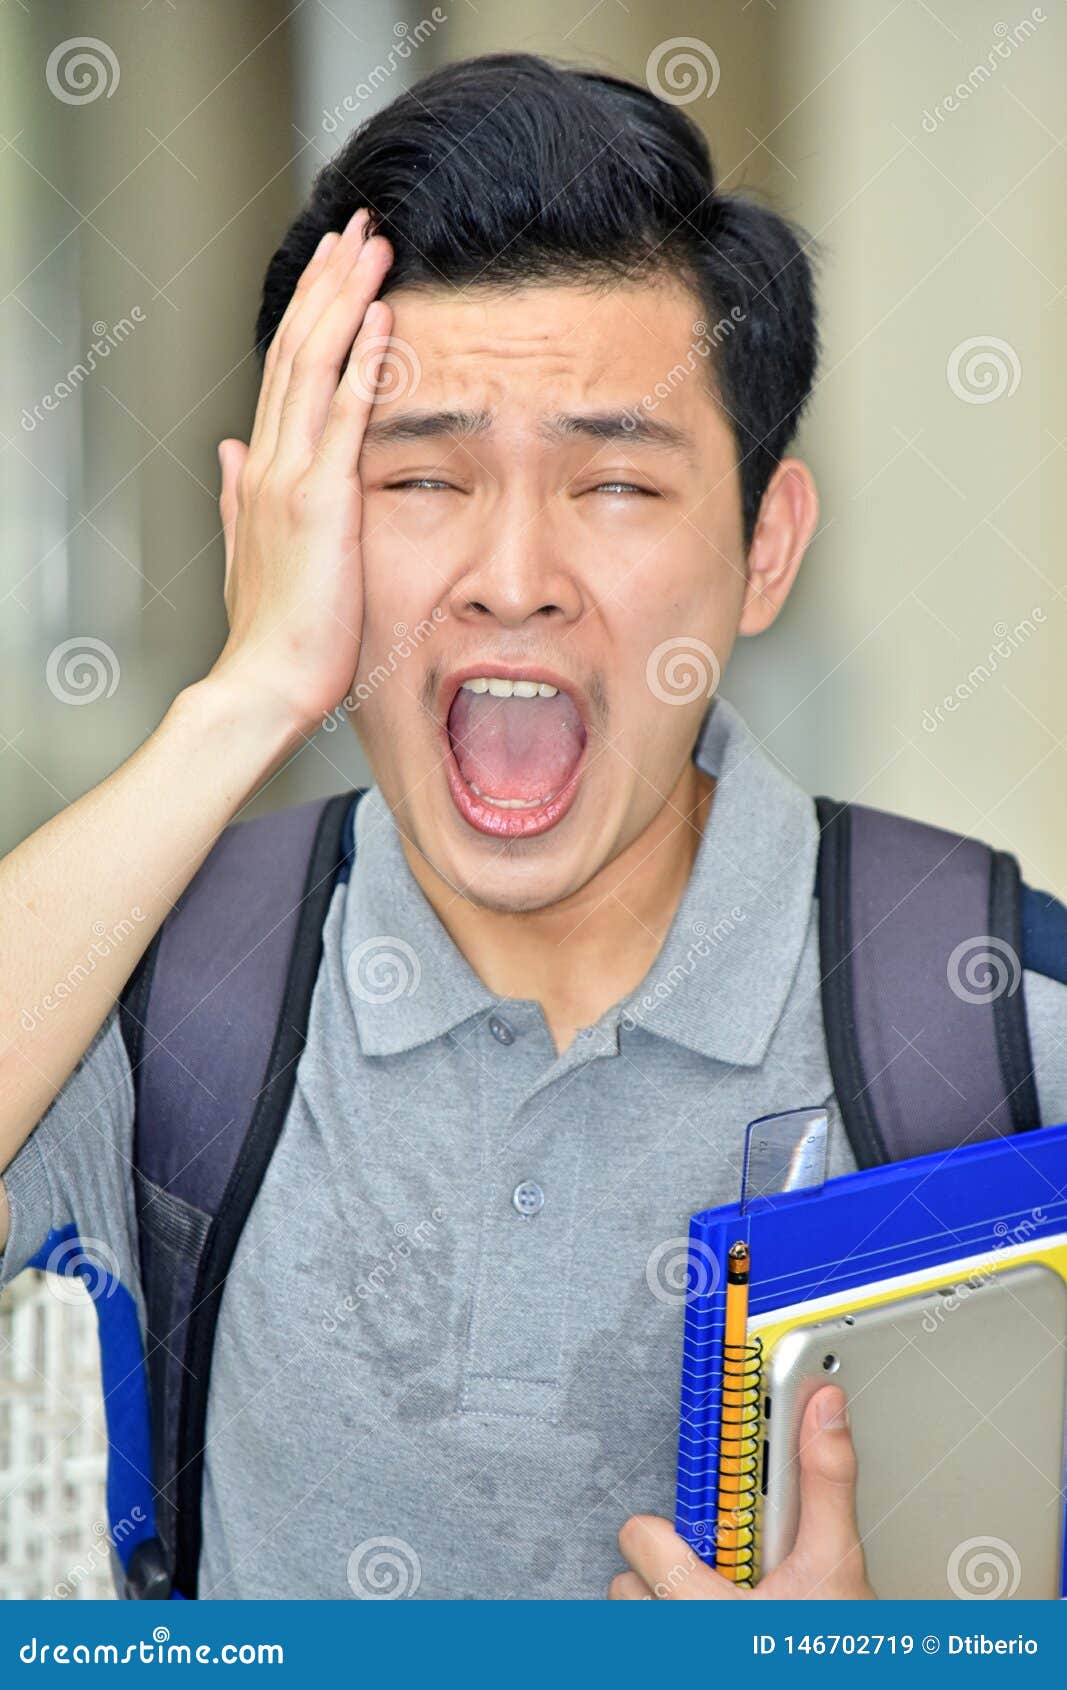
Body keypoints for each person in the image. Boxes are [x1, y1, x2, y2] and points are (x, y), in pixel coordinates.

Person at [1, 53, 1063, 1602]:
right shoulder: (163, 1009)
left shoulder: (1000, 1023)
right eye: (420, 474)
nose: (513, 571)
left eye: (616, 483)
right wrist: (241, 698)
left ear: (765, 550)